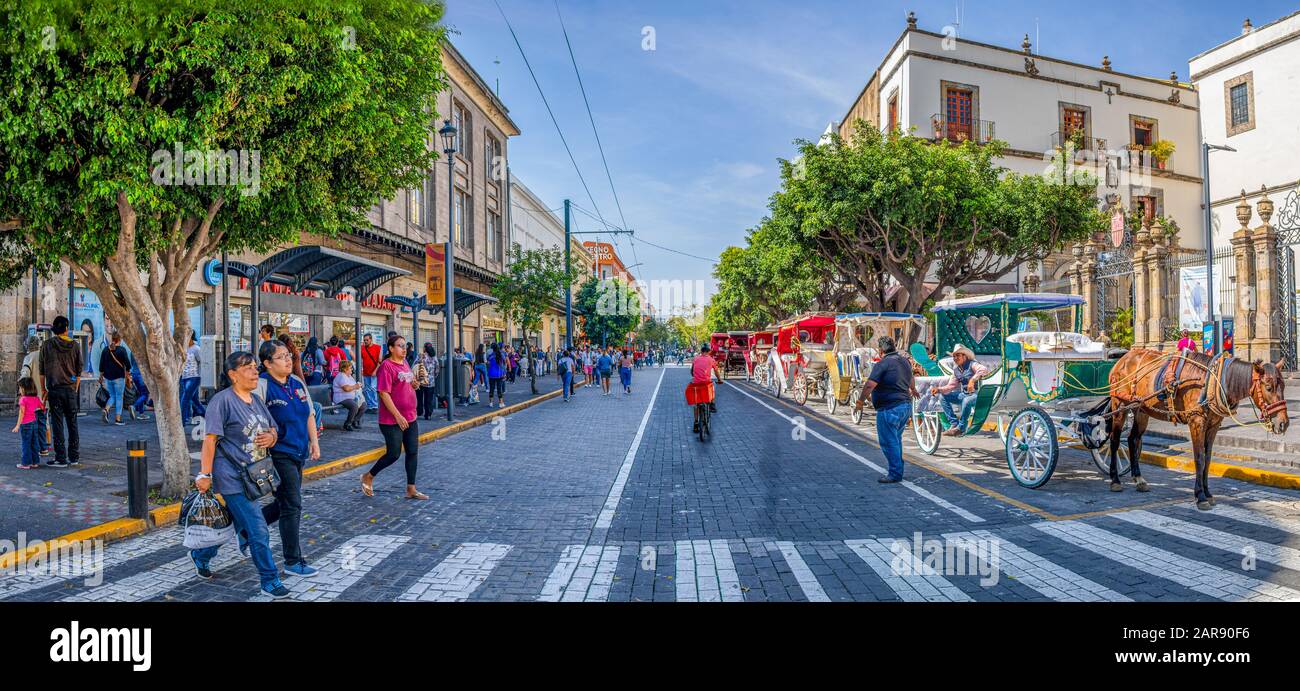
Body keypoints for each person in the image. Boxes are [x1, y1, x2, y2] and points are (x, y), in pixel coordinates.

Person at [191, 351, 287, 597]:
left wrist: (272, 437)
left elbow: (273, 428)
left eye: (256, 367)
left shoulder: (255, 400)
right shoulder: (221, 402)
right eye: (248, 368)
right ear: (233, 374)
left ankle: (201, 554)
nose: (255, 372)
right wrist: (204, 475)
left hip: (255, 476)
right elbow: (210, 440)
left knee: (233, 525)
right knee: (258, 528)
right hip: (231, 477)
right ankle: (270, 579)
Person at [255, 341, 321, 579]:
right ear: (267, 363)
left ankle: (244, 529)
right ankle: (293, 560)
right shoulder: (261, 385)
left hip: (298, 451)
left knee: (284, 503)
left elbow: (309, 415)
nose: (288, 360)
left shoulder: (297, 383)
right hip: (277, 454)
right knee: (293, 504)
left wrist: (314, 442)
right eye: (281, 357)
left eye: (289, 356)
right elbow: (252, 420)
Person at [360, 335, 427, 500]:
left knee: (412, 451)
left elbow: (408, 383)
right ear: (390, 348)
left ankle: (411, 488)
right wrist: (397, 416)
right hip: (391, 420)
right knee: (393, 454)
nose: (404, 349)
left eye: (404, 346)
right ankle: (368, 476)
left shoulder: (404, 363)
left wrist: (415, 384)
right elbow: (383, 393)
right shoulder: (386, 366)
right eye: (399, 346)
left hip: (410, 416)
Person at [853, 336, 917, 484]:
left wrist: (860, 401)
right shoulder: (905, 361)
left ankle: (895, 473)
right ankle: (898, 468)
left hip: (890, 408)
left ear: (881, 350)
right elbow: (911, 379)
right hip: (905, 406)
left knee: (889, 442)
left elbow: (869, 385)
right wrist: (913, 389)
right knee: (896, 439)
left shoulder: (882, 364)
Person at [932, 344, 989, 437]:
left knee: (967, 401)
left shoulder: (972, 364)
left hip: (977, 394)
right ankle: (954, 423)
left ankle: (961, 428)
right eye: (954, 356)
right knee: (943, 396)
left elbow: (984, 369)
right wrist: (939, 389)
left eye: (958, 355)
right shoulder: (956, 370)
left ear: (964, 356)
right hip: (964, 394)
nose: (955, 358)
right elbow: (951, 386)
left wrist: (972, 380)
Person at [19, 336, 50, 457]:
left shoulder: (29, 357)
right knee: (42, 423)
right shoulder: (45, 355)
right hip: (45, 396)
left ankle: (36, 448)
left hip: (33, 397)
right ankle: (44, 448)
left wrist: (21, 387)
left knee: (33, 424)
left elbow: (25, 374)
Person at [97, 331, 130, 426]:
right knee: (119, 397)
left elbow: (101, 365)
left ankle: (106, 409)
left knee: (112, 396)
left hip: (108, 378)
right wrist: (127, 372)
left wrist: (101, 376)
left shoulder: (105, 350)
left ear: (112, 339)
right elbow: (128, 364)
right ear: (119, 339)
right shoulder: (122, 350)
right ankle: (118, 419)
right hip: (119, 378)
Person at [689, 345, 722, 433]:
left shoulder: (695, 358)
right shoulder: (711, 359)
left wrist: (695, 376)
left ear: (701, 351)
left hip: (696, 383)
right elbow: (716, 371)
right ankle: (712, 404)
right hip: (706, 383)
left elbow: (692, 371)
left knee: (696, 403)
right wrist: (719, 380)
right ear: (708, 352)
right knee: (712, 388)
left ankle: (696, 423)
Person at [13, 377, 44, 470]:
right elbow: (42, 407)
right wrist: (44, 398)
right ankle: (35, 462)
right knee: (34, 443)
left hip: (25, 424)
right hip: (34, 423)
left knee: (26, 443)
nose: (19, 390)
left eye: (20, 388)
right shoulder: (36, 398)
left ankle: (26, 463)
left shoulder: (23, 399)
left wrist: (17, 425)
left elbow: (21, 413)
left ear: (24, 389)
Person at [179, 329, 205, 424]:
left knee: (185, 399)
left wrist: (201, 377)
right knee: (194, 400)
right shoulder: (183, 348)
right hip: (184, 377)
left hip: (194, 377)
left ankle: (182, 421)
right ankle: (206, 415)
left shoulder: (196, 349)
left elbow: (202, 362)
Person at [332, 360, 365, 430]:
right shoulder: (341, 376)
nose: (352, 369)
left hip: (350, 397)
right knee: (354, 406)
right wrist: (356, 386)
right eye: (350, 368)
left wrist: (357, 386)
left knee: (363, 405)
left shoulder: (349, 376)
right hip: (341, 397)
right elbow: (346, 388)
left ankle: (355, 420)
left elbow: (353, 386)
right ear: (345, 369)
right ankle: (347, 424)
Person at [416, 343, 440, 419]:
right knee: (428, 399)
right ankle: (428, 414)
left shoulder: (421, 356)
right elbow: (437, 370)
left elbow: (415, 365)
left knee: (419, 397)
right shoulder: (434, 357)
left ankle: (419, 411)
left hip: (421, 380)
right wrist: (433, 377)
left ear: (425, 348)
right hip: (431, 381)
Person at [360, 333, 381, 412]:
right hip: (366, 372)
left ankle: (375, 405)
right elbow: (360, 359)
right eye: (364, 340)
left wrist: (375, 371)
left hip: (374, 372)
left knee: (373, 388)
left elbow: (380, 361)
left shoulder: (377, 347)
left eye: (367, 340)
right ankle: (370, 406)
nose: (365, 341)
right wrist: (361, 369)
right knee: (367, 389)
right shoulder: (362, 348)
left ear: (371, 339)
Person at [486, 342, 507, 409]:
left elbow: (488, 364)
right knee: (499, 389)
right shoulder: (501, 355)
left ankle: (491, 403)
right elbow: (504, 365)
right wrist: (504, 373)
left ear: (492, 349)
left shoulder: (490, 355)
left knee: (491, 389)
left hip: (491, 374)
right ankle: (501, 403)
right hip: (499, 374)